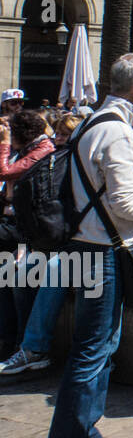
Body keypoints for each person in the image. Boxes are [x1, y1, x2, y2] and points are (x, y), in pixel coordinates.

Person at [42, 54, 133, 438]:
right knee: (91, 352)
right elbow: (124, 203)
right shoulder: (117, 131)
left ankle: (87, 435)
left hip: (87, 247)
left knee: (102, 347)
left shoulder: (92, 121)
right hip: (103, 255)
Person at [0, 110, 56, 369]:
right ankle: (8, 340)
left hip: (32, 232)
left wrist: (4, 142)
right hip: (18, 225)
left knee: (17, 277)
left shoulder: (42, 150)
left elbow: (5, 171)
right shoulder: (29, 149)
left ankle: (22, 344)